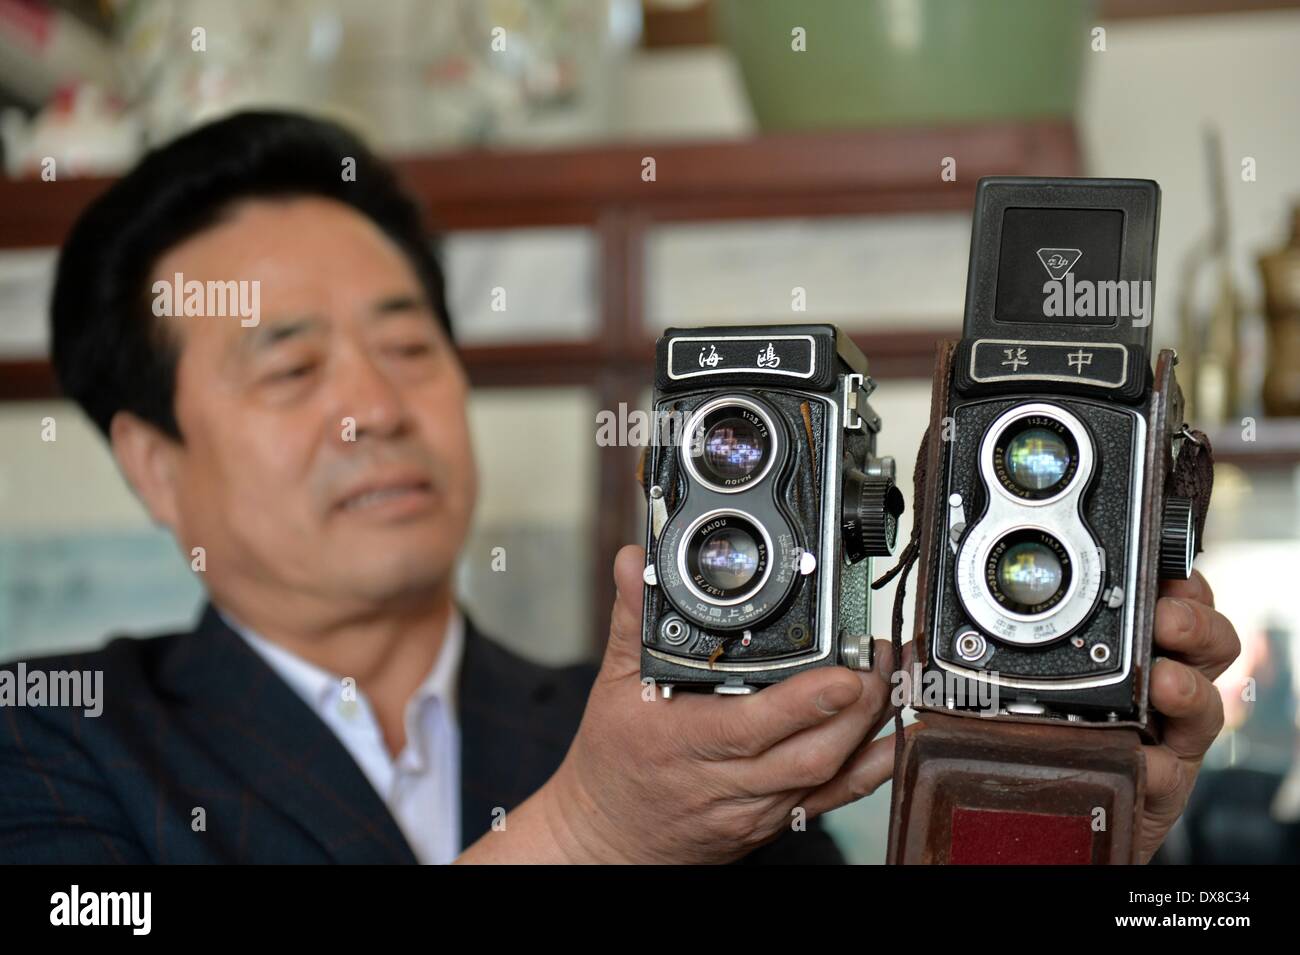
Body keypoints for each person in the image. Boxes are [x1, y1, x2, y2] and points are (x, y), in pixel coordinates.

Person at [0, 112, 1239, 864]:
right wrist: (592, 838)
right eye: (290, 362)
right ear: (153, 464)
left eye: (409, 343)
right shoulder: (51, 740)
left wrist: (1040, 822)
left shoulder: (699, 736)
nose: (374, 403)